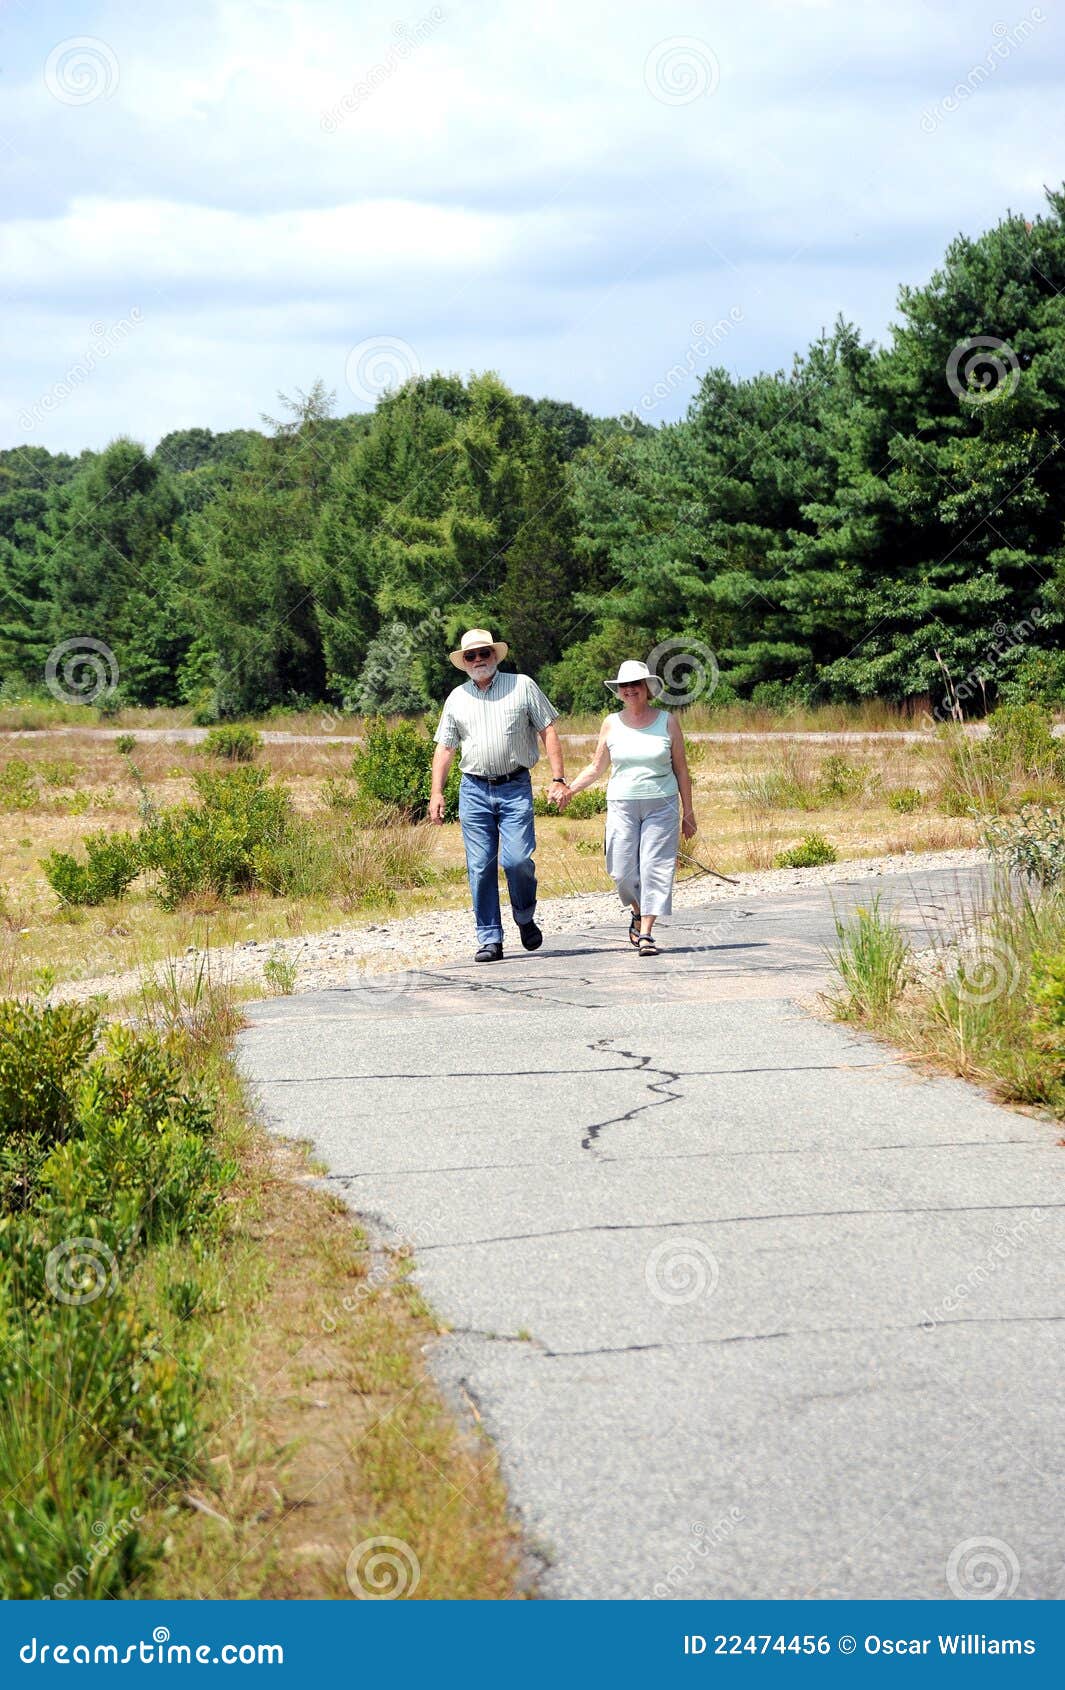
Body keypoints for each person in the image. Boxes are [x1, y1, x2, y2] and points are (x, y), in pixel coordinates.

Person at [429, 628, 570, 962]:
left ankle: (524, 914)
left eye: (484, 653)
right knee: (480, 866)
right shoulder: (456, 698)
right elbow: (445, 747)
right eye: (471, 656)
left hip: (514, 786)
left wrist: (558, 778)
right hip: (473, 790)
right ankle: (489, 937)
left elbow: (547, 729)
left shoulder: (522, 686)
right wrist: (436, 792)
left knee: (517, 861)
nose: (479, 660)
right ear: (463, 663)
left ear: (495, 655)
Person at [560, 658, 696, 957]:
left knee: (655, 868)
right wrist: (569, 789)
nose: (630, 690)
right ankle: (637, 910)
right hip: (622, 804)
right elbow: (597, 767)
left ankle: (646, 933)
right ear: (619, 691)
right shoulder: (611, 722)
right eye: (624, 686)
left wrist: (688, 812)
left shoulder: (667, 721)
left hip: (662, 804)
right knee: (621, 872)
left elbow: (682, 770)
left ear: (648, 688)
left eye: (636, 684)